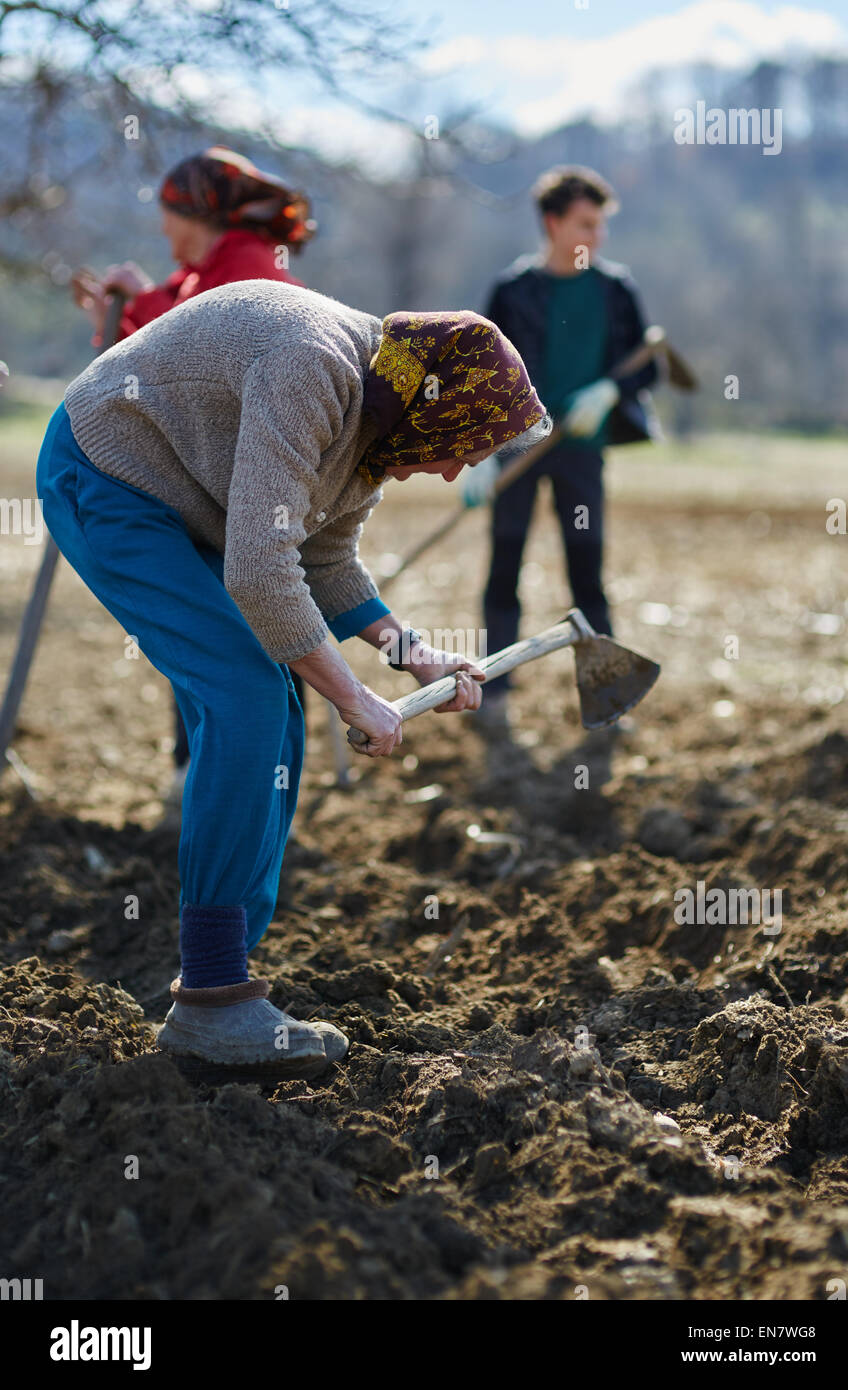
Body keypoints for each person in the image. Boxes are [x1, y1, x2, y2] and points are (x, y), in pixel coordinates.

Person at [35, 281, 548, 1079]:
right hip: (111, 472)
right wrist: (354, 697)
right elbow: (260, 570)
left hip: (191, 502)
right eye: (465, 448)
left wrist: (412, 653)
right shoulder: (313, 369)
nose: (453, 474)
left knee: (273, 697)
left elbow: (325, 558)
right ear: (439, 410)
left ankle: (227, 974)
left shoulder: (383, 417)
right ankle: (211, 998)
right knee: (243, 696)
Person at [70, 146, 316, 795]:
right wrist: (116, 313)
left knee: (254, 631)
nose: (162, 230)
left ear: (197, 213)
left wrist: (130, 308)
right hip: (204, 483)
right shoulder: (209, 270)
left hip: (243, 485)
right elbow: (149, 351)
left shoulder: (245, 272)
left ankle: (258, 785)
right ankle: (207, 776)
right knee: (209, 634)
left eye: (168, 214)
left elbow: (178, 344)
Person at [470, 165, 658, 732]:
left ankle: (608, 695)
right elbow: (480, 373)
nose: (596, 237)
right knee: (505, 566)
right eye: (586, 224)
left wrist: (608, 390)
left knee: (586, 568)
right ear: (553, 223)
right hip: (517, 446)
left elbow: (644, 366)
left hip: (581, 449)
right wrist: (479, 455)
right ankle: (494, 694)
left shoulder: (616, 290)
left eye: (601, 225)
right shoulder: (512, 291)